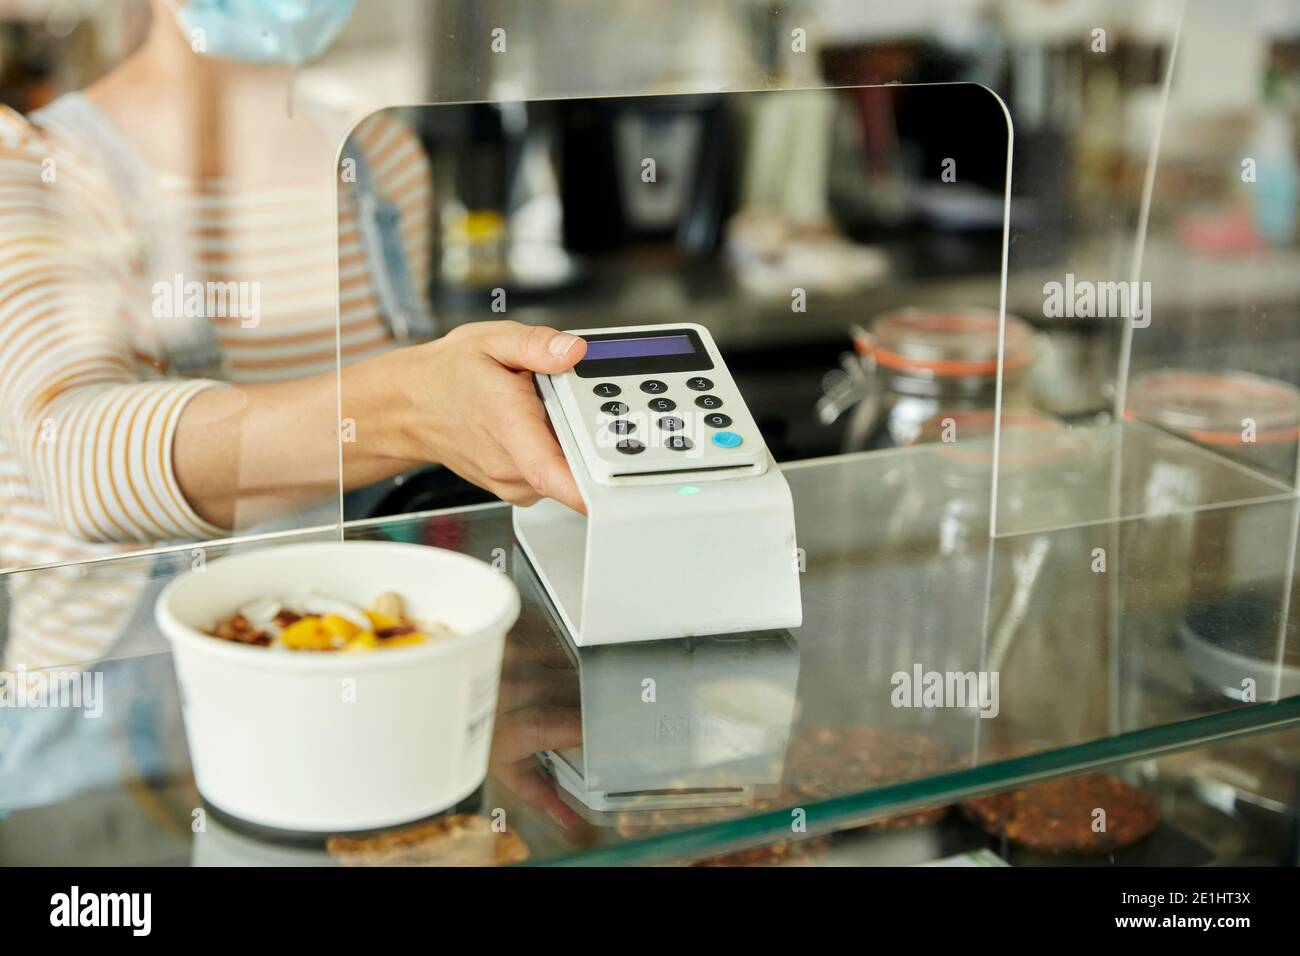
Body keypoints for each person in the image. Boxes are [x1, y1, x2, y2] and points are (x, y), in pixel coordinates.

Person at [0, 0, 586, 670]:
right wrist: (410, 409)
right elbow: (72, 457)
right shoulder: (35, 168)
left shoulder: (381, 163)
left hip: (348, 671)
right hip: (109, 737)